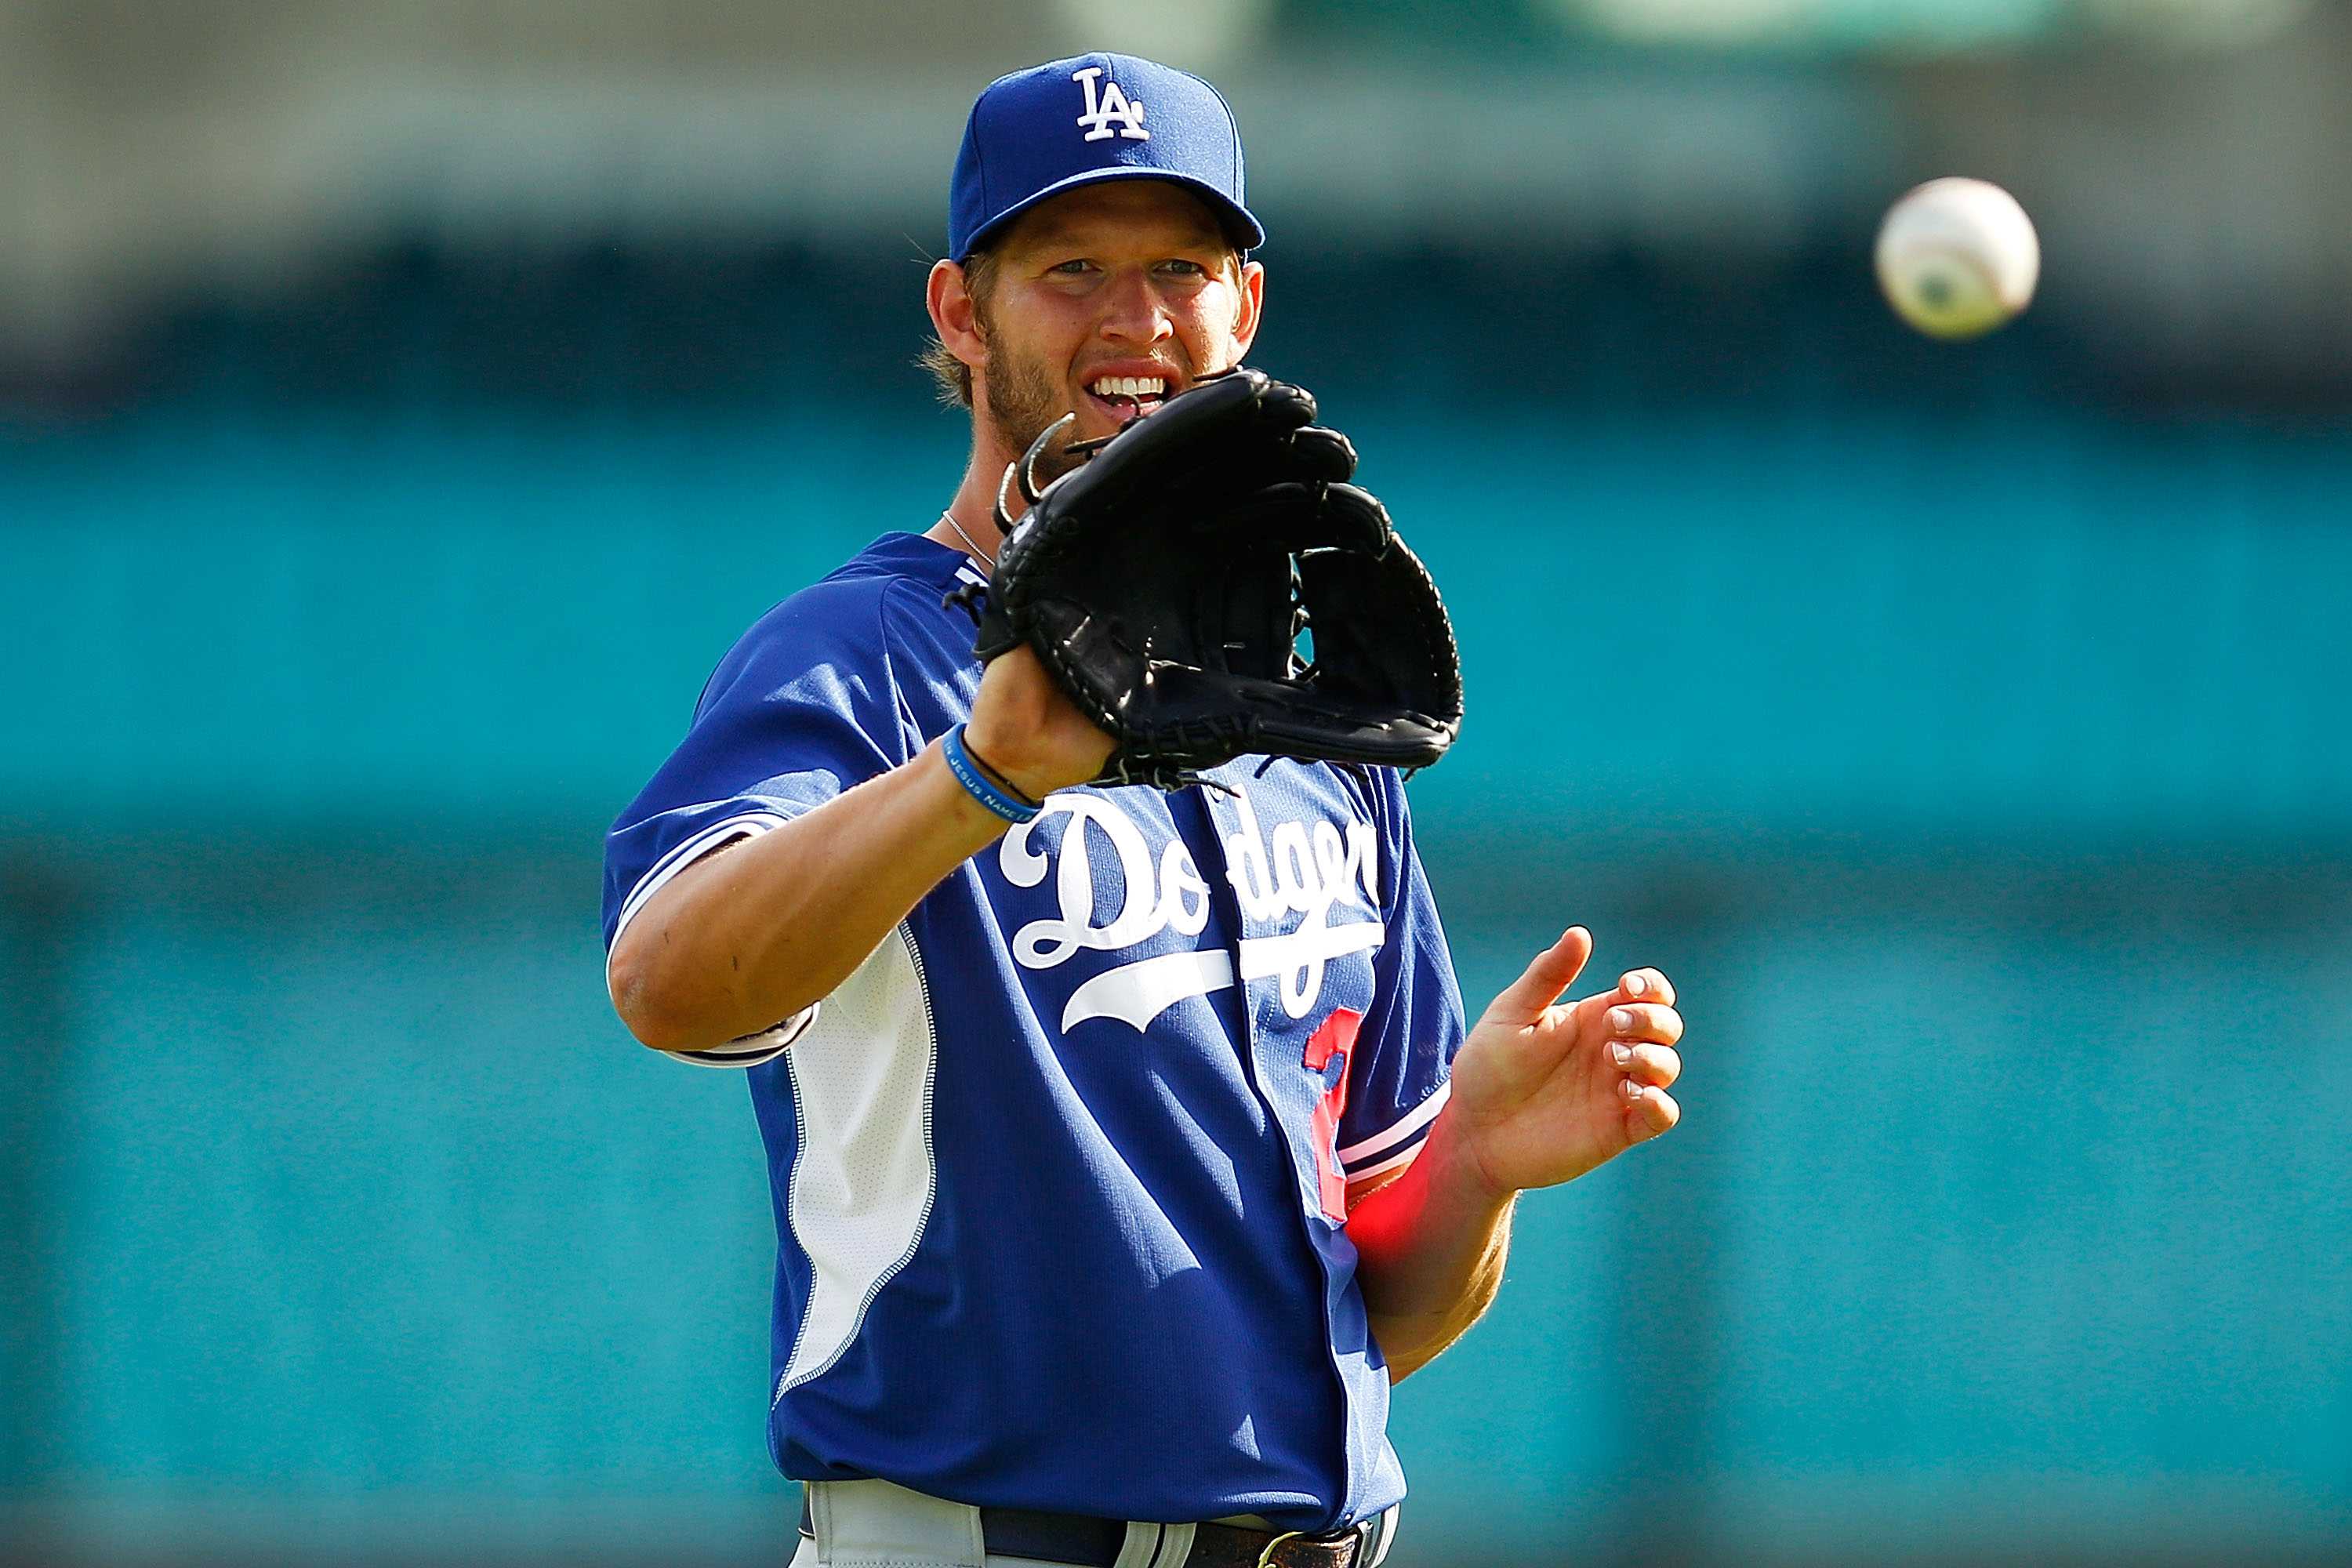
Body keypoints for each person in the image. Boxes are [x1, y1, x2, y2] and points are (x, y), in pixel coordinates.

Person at [601, 52, 1687, 1568]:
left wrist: (1480, 1170)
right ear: (960, 315)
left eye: (1179, 265)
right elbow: (667, 983)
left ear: (1245, 304)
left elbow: (1375, 1319)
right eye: (1072, 269)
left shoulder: (1305, 700)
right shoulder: (861, 659)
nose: (1136, 321)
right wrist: (977, 780)